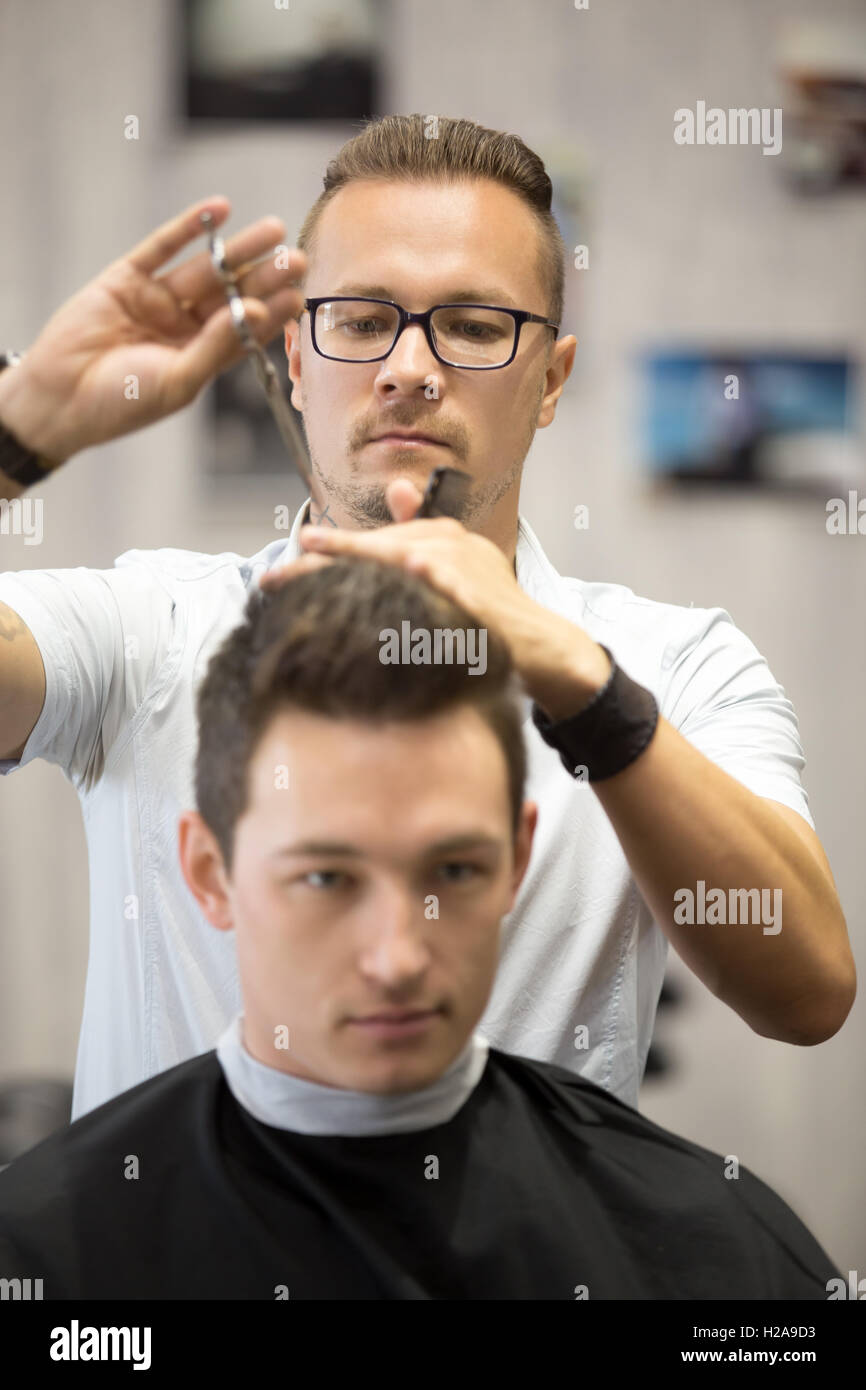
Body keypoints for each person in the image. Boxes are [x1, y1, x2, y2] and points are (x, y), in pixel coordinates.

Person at [0, 115, 854, 1122]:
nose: (409, 366)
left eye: (474, 324)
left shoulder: (676, 663)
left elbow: (804, 993)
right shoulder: (148, 628)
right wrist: (17, 436)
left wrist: (584, 688)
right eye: (361, 320)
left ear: (548, 380)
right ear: (295, 359)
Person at [0, 559, 840, 1299]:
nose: (398, 959)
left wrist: (597, 696)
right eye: (327, 878)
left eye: (452, 871)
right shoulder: (42, 1254)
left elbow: (811, 986)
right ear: (211, 873)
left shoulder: (722, 1258)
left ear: (516, 861)